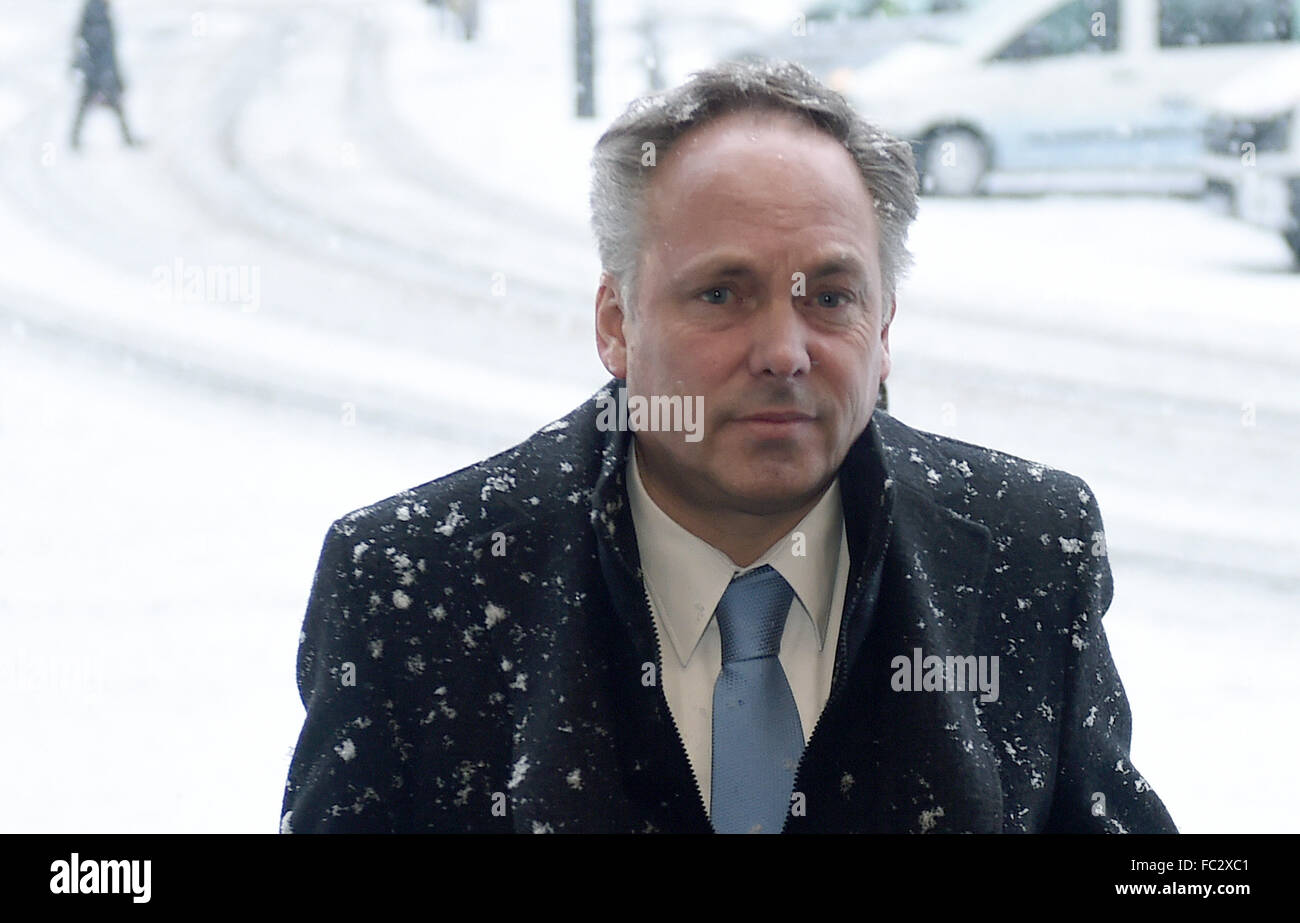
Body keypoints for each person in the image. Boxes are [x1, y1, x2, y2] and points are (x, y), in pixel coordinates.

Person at [280, 60, 1177, 834]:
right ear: (616, 322)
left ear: (885, 326)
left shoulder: (1027, 552)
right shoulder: (414, 582)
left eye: (830, 296)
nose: (785, 352)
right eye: (722, 294)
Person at [70, 0, 137, 150]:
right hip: (99, 69)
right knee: (107, 103)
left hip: (97, 68)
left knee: (99, 104)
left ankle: (74, 140)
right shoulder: (98, 12)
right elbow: (101, 45)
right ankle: (127, 139)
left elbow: (81, 40)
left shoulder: (96, 11)